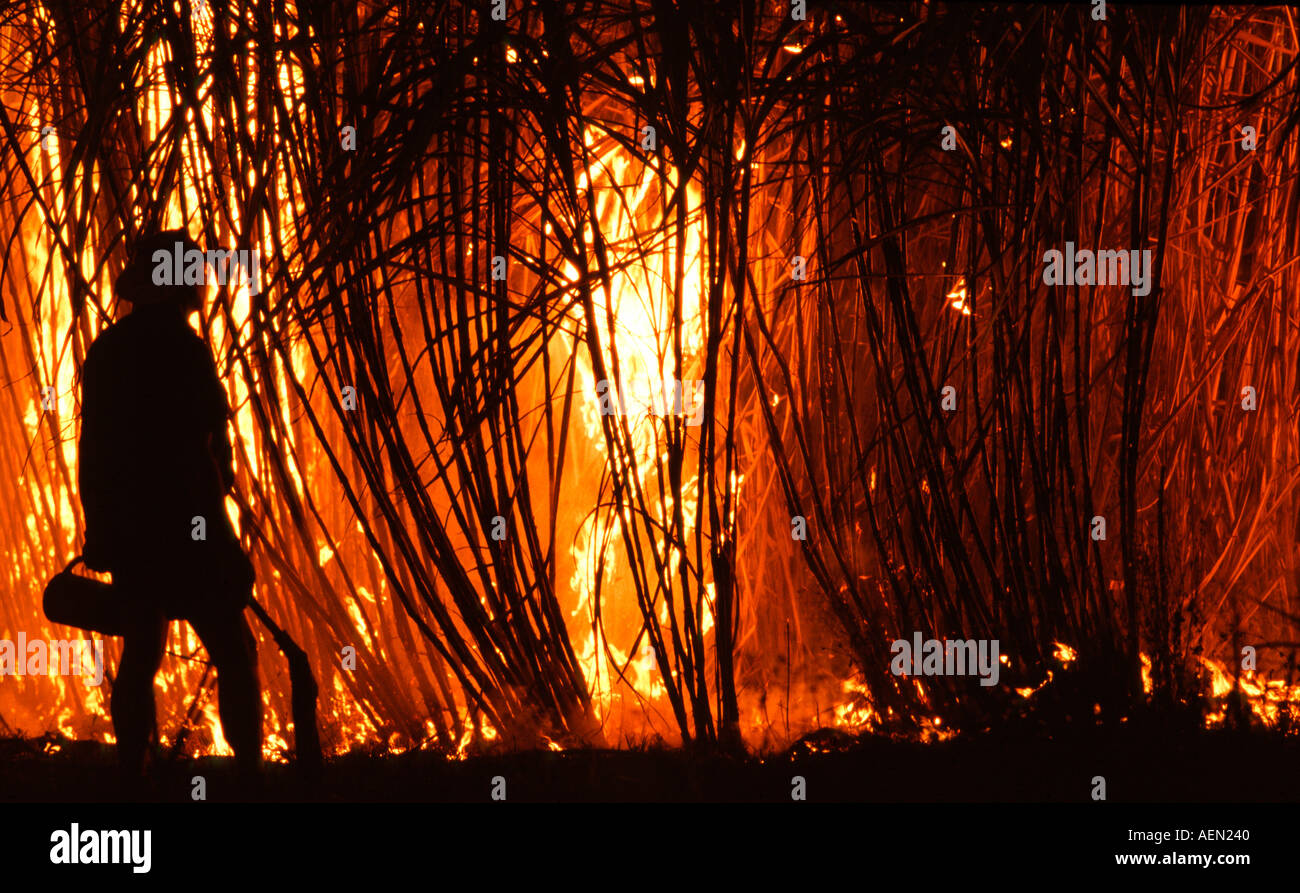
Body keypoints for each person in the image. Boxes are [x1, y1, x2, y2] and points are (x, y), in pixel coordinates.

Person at [79, 228, 261, 778]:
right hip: (190, 526)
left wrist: (102, 528)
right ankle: (252, 775)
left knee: (140, 654)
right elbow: (211, 449)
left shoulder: (107, 351)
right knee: (233, 649)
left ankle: (132, 775)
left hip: (134, 530)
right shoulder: (188, 351)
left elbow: (93, 453)